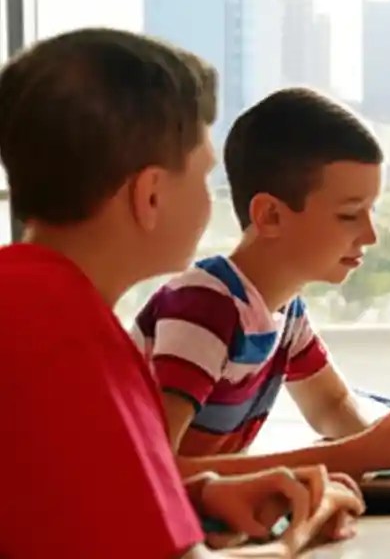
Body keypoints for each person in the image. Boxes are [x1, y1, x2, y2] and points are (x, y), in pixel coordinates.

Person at [0, 28, 363, 558]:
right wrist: (298, 535)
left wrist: (197, 497)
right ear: (151, 195)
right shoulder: (69, 342)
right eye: (205, 176)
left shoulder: (37, 302)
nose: (212, 200)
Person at [132, 88, 390, 478]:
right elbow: (153, 472)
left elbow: (331, 405)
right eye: (349, 215)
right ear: (271, 216)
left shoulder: (286, 312)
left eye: (371, 212)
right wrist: (358, 455)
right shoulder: (203, 306)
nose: (370, 236)